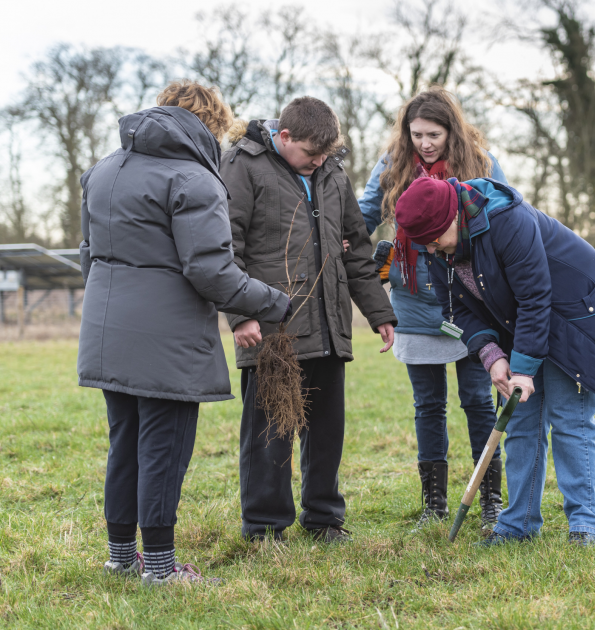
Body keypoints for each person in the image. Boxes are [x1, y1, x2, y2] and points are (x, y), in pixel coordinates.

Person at [78, 81, 292, 585]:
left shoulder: (104, 170)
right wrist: (273, 302)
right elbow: (211, 271)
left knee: (124, 443)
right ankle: (159, 567)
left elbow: (90, 257)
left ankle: (120, 557)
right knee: (163, 448)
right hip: (167, 339)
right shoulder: (194, 178)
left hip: (107, 330)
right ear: (209, 124)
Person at [395, 176, 595, 546]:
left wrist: (523, 369)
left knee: (569, 419)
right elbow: (454, 310)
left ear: (452, 217)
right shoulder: (438, 248)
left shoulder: (507, 220)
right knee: (521, 423)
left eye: (433, 239)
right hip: (520, 326)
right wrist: (492, 356)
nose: (430, 248)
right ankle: (518, 525)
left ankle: (587, 524)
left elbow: (535, 297)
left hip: (572, 319)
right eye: (424, 243)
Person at [221, 97, 396, 543]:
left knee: (326, 434)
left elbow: (356, 249)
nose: (318, 161)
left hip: (329, 326)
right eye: (311, 153)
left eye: (325, 154)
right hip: (272, 331)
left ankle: (323, 519)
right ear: (284, 137)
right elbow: (226, 247)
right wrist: (240, 315)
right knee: (270, 434)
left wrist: (378, 312)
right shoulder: (243, 166)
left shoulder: (332, 172)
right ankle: (265, 527)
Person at [358, 87, 509, 531]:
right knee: (428, 404)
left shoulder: (481, 162)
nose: (424, 143)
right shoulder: (392, 165)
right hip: (412, 300)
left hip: (469, 300)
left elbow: (506, 215)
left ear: (452, 132)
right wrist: (338, 242)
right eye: (417, 134)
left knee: (477, 401)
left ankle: (491, 501)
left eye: (434, 135)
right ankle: (434, 504)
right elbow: (361, 217)